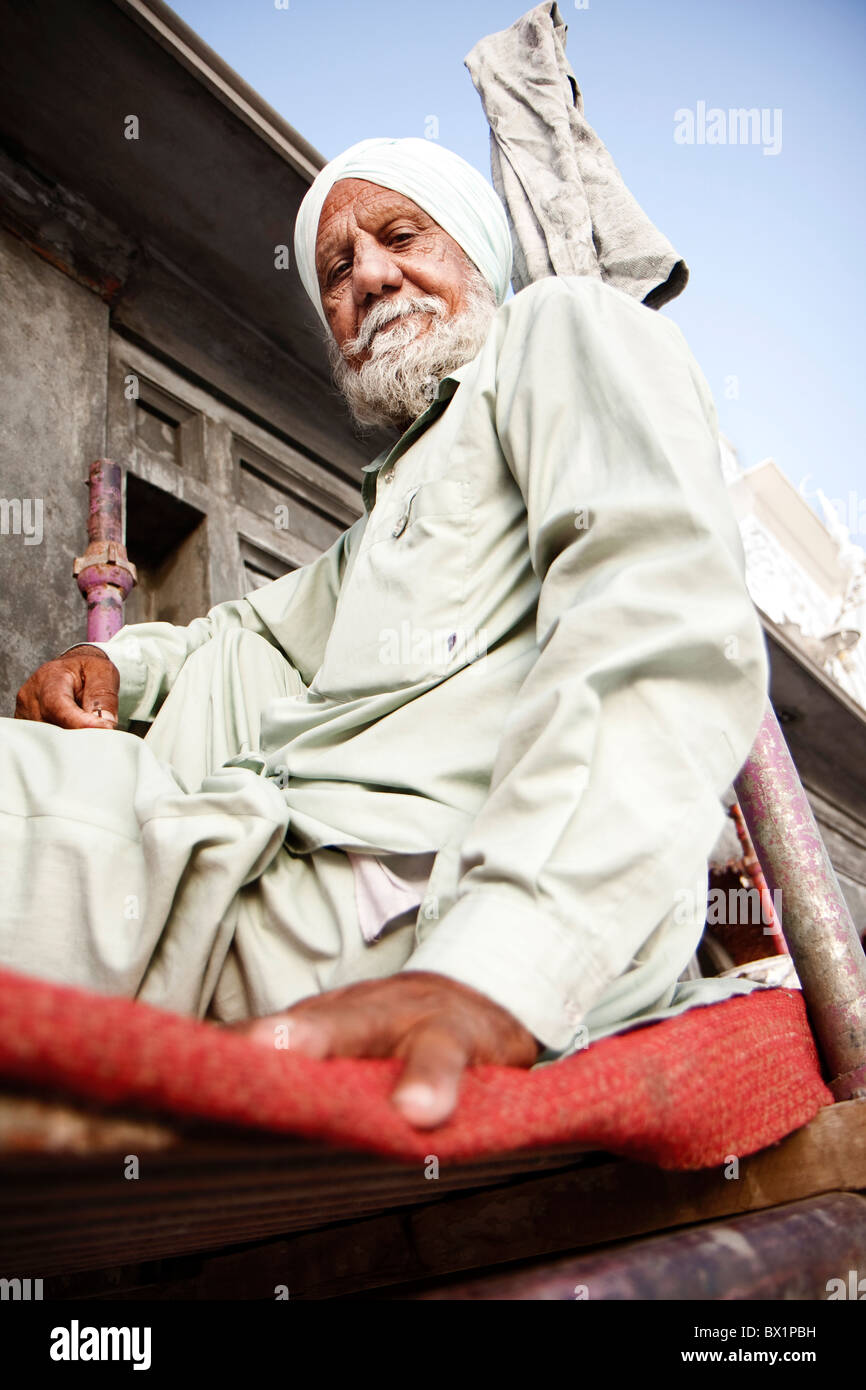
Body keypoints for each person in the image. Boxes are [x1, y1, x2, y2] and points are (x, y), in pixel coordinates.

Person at [2, 138, 768, 1130]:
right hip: (254, 853)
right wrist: (112, 659)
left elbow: (656, 618)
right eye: (335, 268)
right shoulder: (375, 533)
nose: (366, 274)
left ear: (474, 259)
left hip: (404, 906)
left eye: (399, 235)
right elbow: (243, 637)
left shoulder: (559, 332)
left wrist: (499, 967)